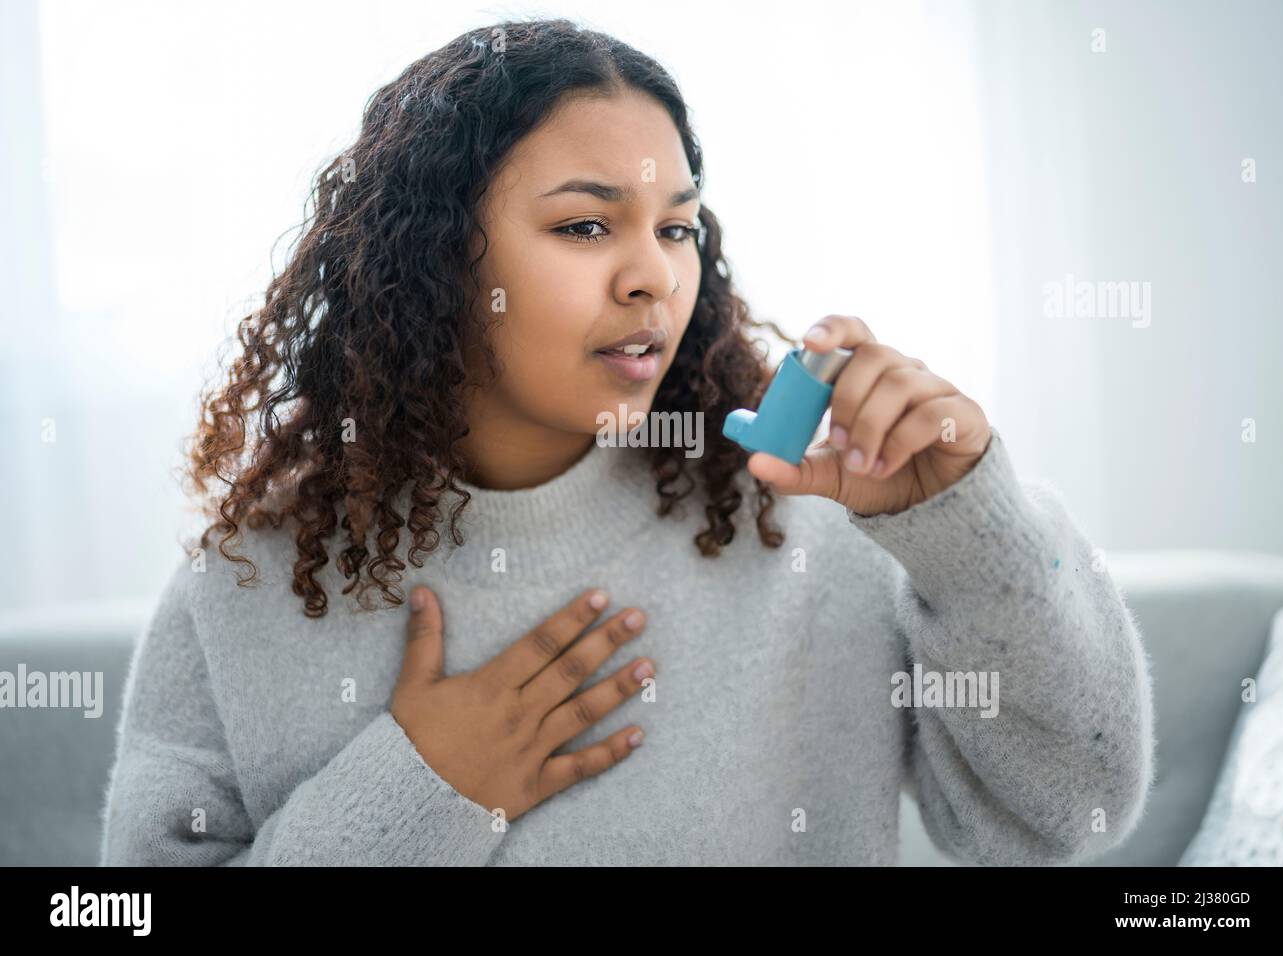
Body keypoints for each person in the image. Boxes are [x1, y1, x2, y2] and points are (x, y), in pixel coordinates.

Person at [99, 17, 1154, 866]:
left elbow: (1069, 816)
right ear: (433, 264)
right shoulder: (244, 591)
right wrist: (422, 789)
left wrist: (970, 527)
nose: (653, 274)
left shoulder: (807, 523)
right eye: (586, 225)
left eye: (677, 226)